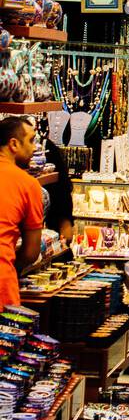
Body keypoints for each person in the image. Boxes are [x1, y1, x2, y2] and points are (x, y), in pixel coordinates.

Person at [0, 116, 44, 308]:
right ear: (14, 144)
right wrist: (13, 266)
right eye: (32, 140)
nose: (35, 148)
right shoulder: (28, 185)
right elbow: (31, 251)